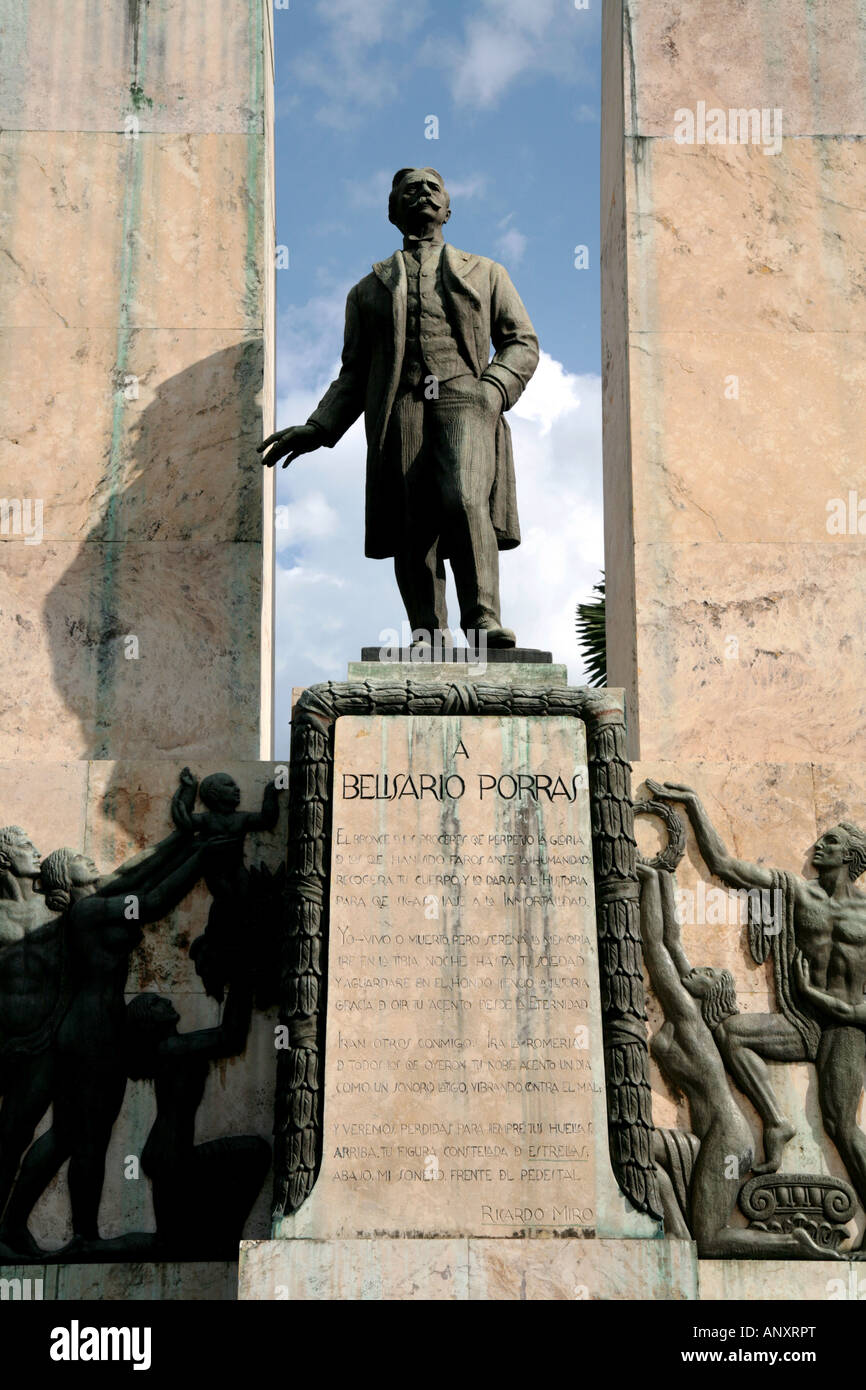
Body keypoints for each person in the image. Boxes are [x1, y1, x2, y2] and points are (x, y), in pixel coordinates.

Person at [258, 166, 539, 649]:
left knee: (465, 500)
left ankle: (482, 619)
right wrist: (318, 426)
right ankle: (428, 634)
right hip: (400, 404)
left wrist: (492, 390)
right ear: (393, 211)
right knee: (414, 519)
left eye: (434, 187)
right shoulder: (367, 291)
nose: (424, 193)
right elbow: (354, 373)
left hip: (465, 398)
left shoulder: (488, 272)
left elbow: (522, 342)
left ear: (448, 208)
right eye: (411, 189)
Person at [647, 779, 866, 1216]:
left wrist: (826, 1001)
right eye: (822, 839)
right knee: (732, 1033)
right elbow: (724, 865)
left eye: (831, 842)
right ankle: (777, 1122)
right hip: (801, 1022)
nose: (817, 846)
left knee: (841, 1125)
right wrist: (693, 806)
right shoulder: (795, 891)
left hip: (845, 1029)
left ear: (850, 856)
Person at [0, 833, 205, 1256]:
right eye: (75, 857)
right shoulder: (88, 910)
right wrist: (200, 853)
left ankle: (33, 1227)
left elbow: (135, 873)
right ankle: (71, 1234)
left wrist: (186, 839)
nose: (87, 860)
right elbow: (150, 902)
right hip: (82, 1031)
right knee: (69, 1138)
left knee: (69, 1135)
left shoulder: (82, 904)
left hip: (72, 1031)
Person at [638, 862, 832, 1258]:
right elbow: (673, 943)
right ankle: (676, 1233)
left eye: (707, 972)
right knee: (638, 1151)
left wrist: (644, 882)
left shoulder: (689, 1019)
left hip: (729, 1142)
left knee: (711, 1238)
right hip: (717, 1137)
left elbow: (656, 949)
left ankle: (792, 1243)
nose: (696, 970)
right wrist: (660, 878)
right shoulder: (693, 1013)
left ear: (712, 992)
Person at [125, 984, 270, 1258]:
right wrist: (242, 979)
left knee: (167, 1244)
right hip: (171, 1157)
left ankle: (222, 1240)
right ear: (149, 1020)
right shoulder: (172, 1048)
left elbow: (226, 1037)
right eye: (155, 1003)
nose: (166, 1001)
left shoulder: (175, 1046)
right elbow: (231, 1038)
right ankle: (224, 1240)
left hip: (169, 1153)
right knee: (255, 1153)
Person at [171, 768, 280, 1001]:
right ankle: (225, 952)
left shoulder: (242, 818)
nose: (237, 789)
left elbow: (267, 819)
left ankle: (246, 953)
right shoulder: (207, 820)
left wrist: (271, 793)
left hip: (239, 873)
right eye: (230, 786)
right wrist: (188, 789)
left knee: (244, 907)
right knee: (228, 906)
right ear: (214, 794)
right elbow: (185, 821)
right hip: (217, 877)